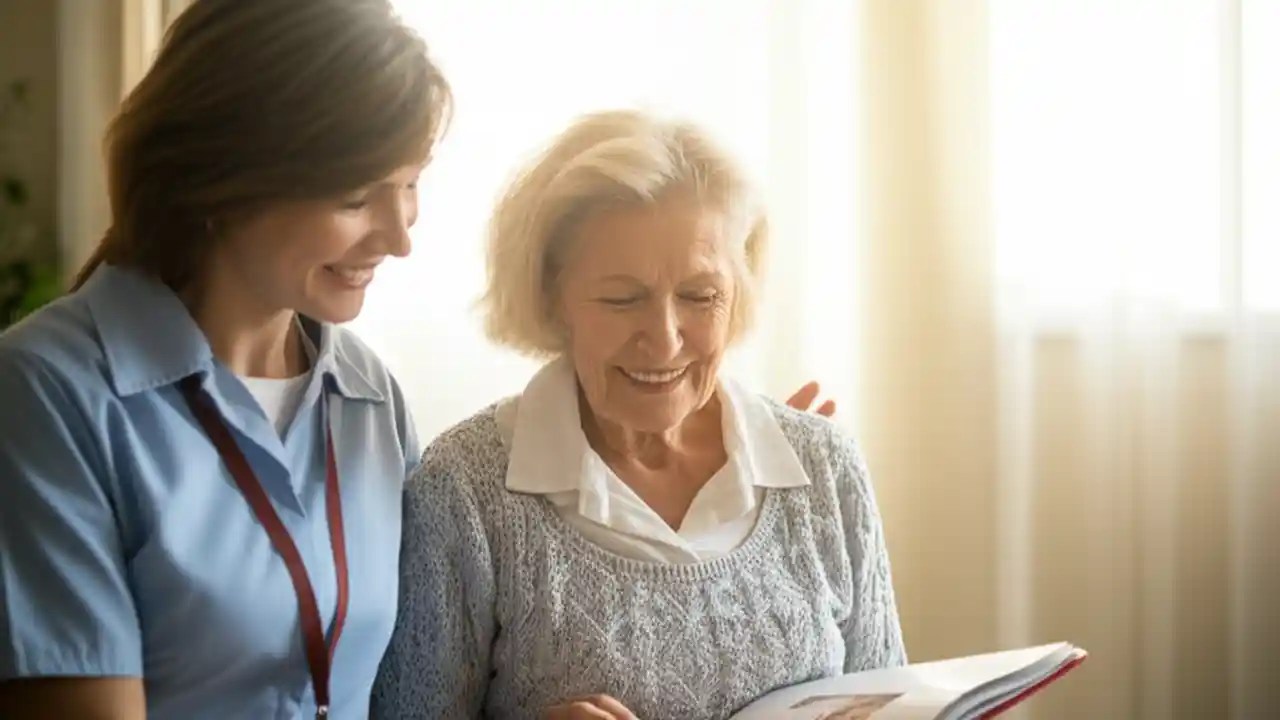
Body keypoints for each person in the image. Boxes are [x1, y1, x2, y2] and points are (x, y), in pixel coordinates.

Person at [0, 3, 832, 717]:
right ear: (223, 177)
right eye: (358, 197)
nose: (400, 237)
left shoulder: (366, 397)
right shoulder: (52, 397)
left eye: (411, 185)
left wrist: (740, 478)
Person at [371, 110, 907, 720]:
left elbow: (895, 705)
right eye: (622, 299)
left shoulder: (825, 465)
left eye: (700, 296)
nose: (665, 340)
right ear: (553, 296)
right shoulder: (466, 488)